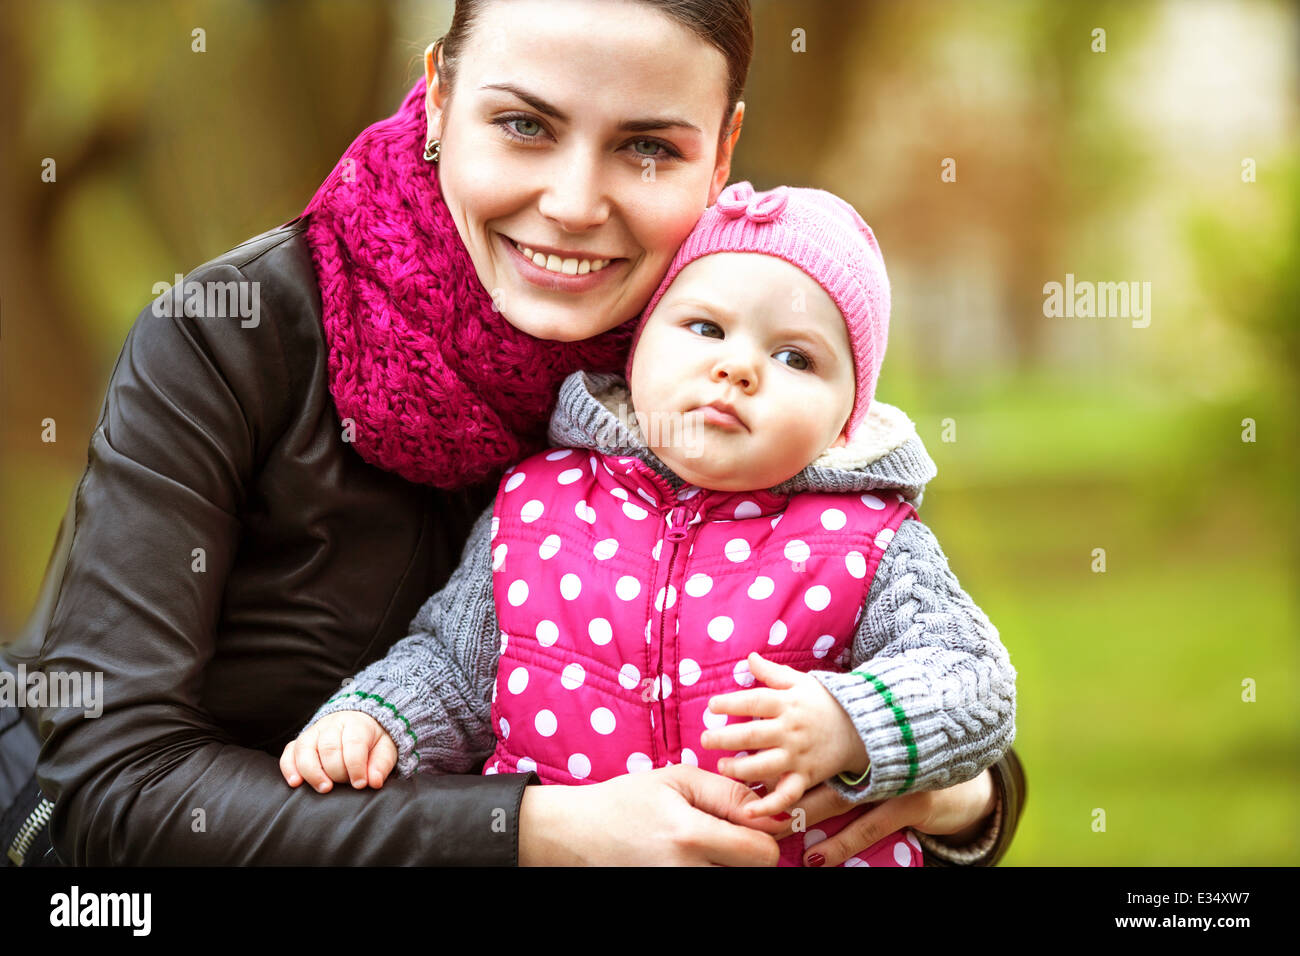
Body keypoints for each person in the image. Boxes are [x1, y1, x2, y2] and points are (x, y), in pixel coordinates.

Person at [6, 0, 1023, 866]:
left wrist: (941, 788)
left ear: (720, 155)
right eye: (526, 125)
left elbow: (915, 643)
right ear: (441, 98)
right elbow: (110, 777)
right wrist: (532, 828)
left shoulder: (720, 356)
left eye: (648, 146)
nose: (573, 204)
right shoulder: (232, 338)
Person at [281, 182, 1017, 868]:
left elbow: (974, 679)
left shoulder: (869, 542)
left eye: (795, 356)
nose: (737, 369)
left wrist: (848, 722)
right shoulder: (536, 506)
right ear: (637, 348)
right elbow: (456, 671)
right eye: (704, 327)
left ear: (846, 417)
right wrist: (378, 721)